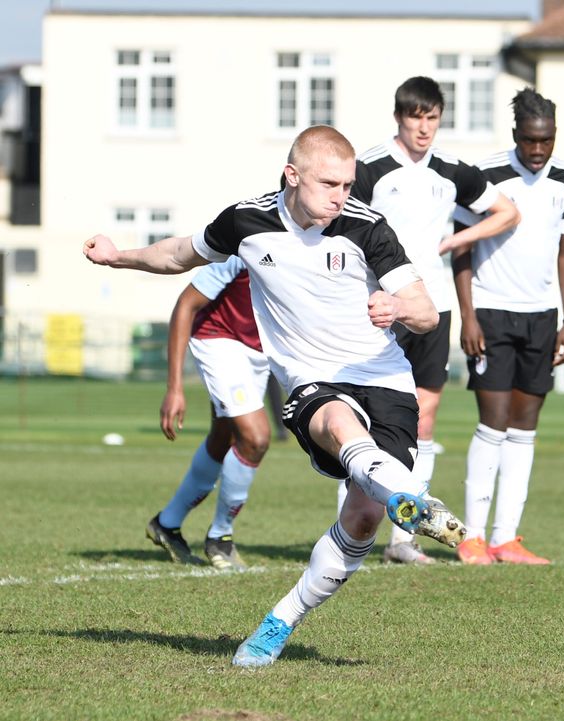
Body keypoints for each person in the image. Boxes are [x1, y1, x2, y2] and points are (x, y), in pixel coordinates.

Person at [83, 124, 466, 668]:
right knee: (337, 424)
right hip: (312, 380)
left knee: (361, 521)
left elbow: (426, 310)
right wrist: (118, 256)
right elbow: (177, 254)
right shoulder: (247, 220)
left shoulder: (368, 228)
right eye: (330, 183)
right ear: (293, 175)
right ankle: (416, 503)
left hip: (384, 378)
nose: (342, 196)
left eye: (349, 184)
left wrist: (399, 309)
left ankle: (281, 619)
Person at [351, 76, 519, 565]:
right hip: (379, 305)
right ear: (399, 117)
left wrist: (456, 241)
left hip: (433, 307)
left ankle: (403, 539)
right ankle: (353, 524)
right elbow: (341, 223)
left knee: (423, 418)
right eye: (414, 117)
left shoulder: (450, 170)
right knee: (362, 417)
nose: (423, 128)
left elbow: (506, 212)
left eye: (431, 117)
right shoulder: (371, 167)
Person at [451, 88, 564, 566]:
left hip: (543, 318)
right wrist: (467, 315)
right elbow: (461, 248)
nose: (539, 150)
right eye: (530, 141)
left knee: (524, 429)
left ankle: (506, 539)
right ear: (515, 136)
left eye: (546, 141)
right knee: (492, 423)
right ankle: (471, 538)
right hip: (490, 313)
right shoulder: (486, 176)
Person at [147, 256, 271, 570]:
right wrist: (174, 388)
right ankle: (221, 537)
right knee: (255, 439)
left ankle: (167, 523)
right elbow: (186, 304)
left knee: (224, 436)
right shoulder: (244, 245)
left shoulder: (321, 249)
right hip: (219, 338)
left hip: (263, 352)